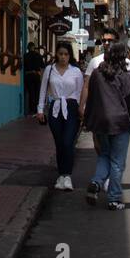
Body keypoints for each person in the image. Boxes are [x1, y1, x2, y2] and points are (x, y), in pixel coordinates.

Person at [80, 41, 130, 211]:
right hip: (120, 122)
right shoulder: (124, 76)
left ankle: (96, 182)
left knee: (104, 155)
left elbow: (91, 97)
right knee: (117, 162)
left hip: (101, 122)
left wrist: (88, 120)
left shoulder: (97, 74)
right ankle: (114, 198)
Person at [36, 41, 83, 191]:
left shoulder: (76, 71)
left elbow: (80, 92)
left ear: (70, 56)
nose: (63, 57)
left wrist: (81, 110)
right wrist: (40, 109)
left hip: (71, 108)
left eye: (66, 54)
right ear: (56, 54)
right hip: (55, 108)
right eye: (60, 54)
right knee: (59, 143)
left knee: (68, 142)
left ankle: (67, 175)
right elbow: (43, 90)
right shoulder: (50, 70)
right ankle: (61, 175)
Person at [23, 43, 45, 116]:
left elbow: (23, 66)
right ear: (34, 47)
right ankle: (36, 109)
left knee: (31, 92)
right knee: (37, 92)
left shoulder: (25, 56)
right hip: (37, 75)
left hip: (28, 75)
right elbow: (42, 66)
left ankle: (31, 109)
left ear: (28, 48)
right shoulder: (38, 55)